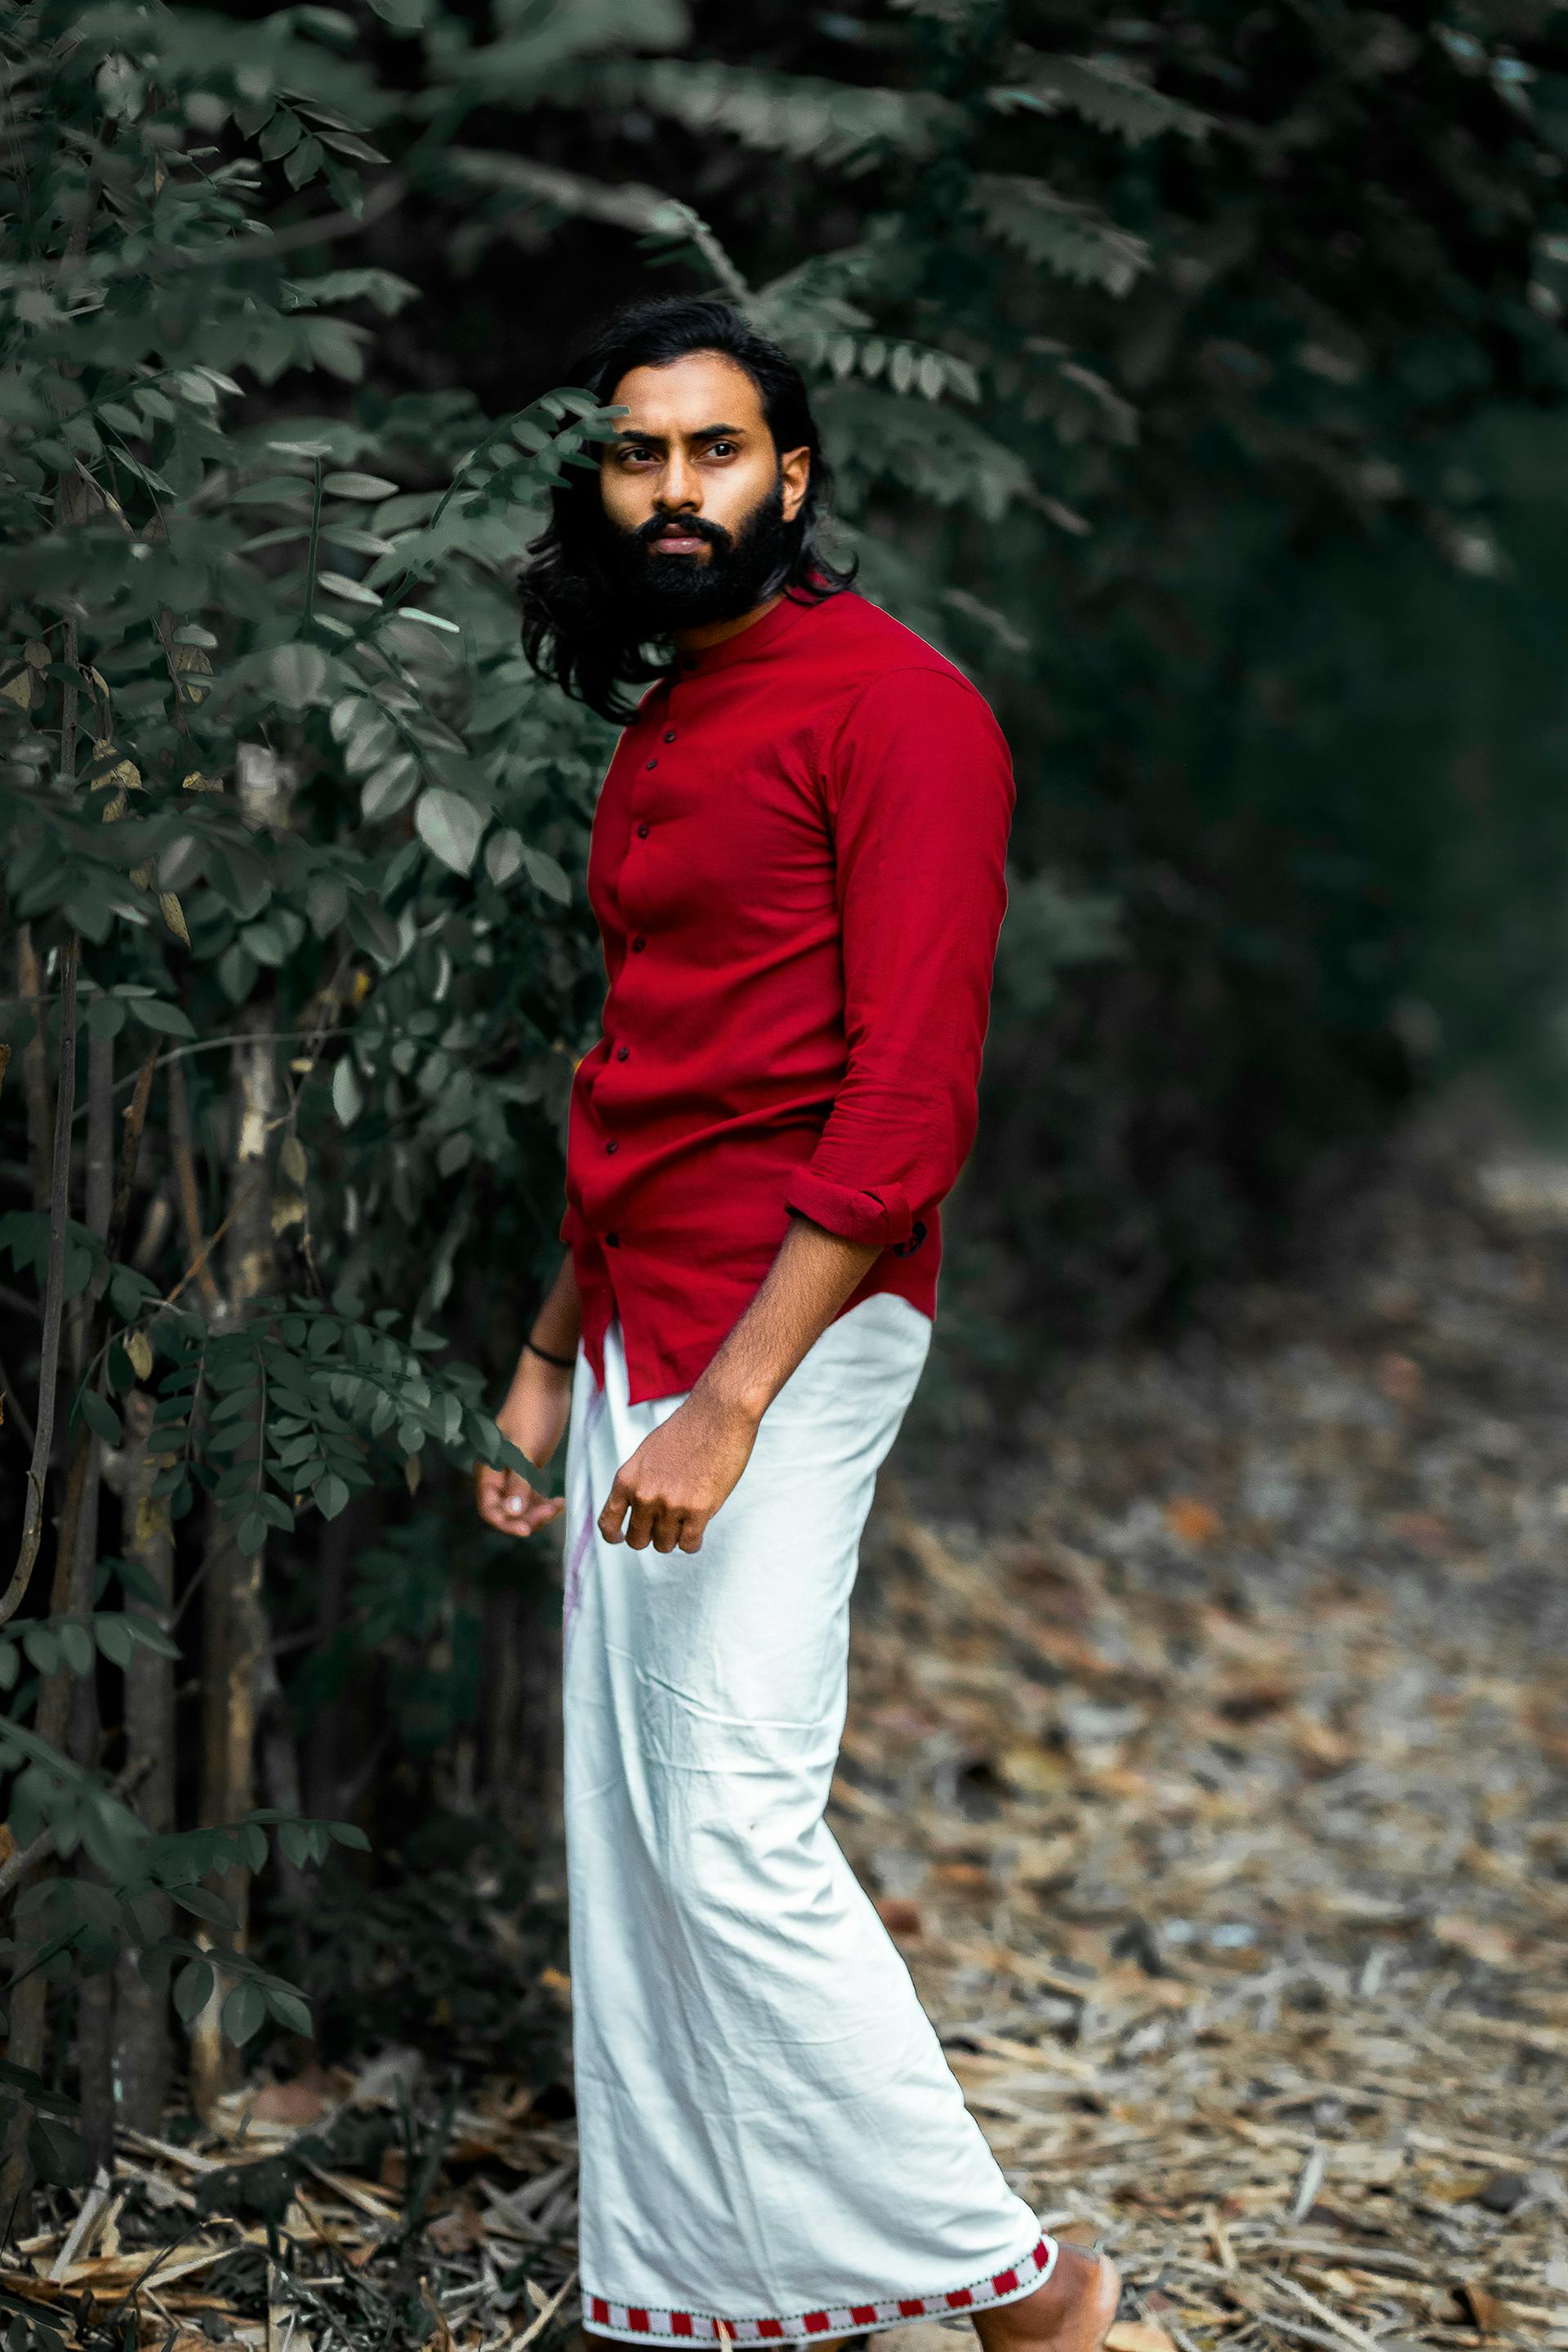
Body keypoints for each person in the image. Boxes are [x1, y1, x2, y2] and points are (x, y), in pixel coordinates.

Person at [474, 295, 1119, 2352]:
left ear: (797, 472)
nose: (677, 490)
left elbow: (909, 1094)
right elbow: (642, 1066)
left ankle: (1035, 2300)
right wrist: (554, 1353)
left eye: (718, 451)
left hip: (795, 1326)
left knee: (731, 1820)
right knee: (643, 1838)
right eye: (642, 455)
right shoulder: (676, 714)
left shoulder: (900, 711)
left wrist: (732, 1403)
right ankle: (697, 2293)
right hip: (645, 1326)